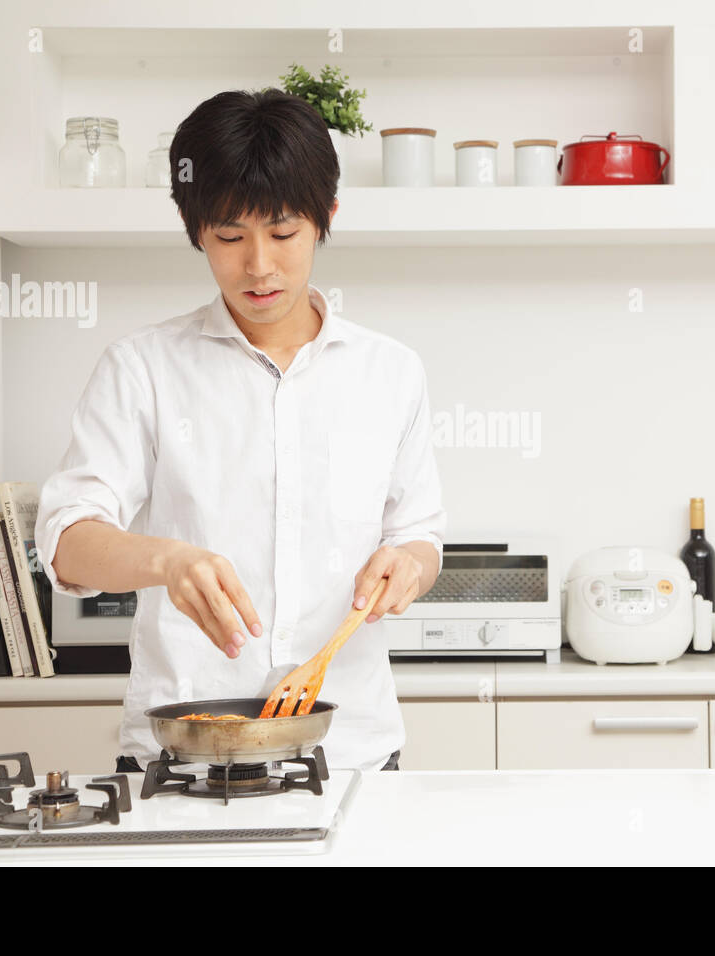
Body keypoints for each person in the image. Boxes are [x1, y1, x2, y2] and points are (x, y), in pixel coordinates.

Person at [34, 89, 446, 773]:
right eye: (230, 236)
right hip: (182, 758)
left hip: (351, 754)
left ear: (326, 219)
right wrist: (167, 561)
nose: (259, 265)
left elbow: (419, 534)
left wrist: (410, 564)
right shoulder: (143, 368)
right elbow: (67, 544)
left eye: (283, 233)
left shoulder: (391, 373)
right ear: (194, 229)